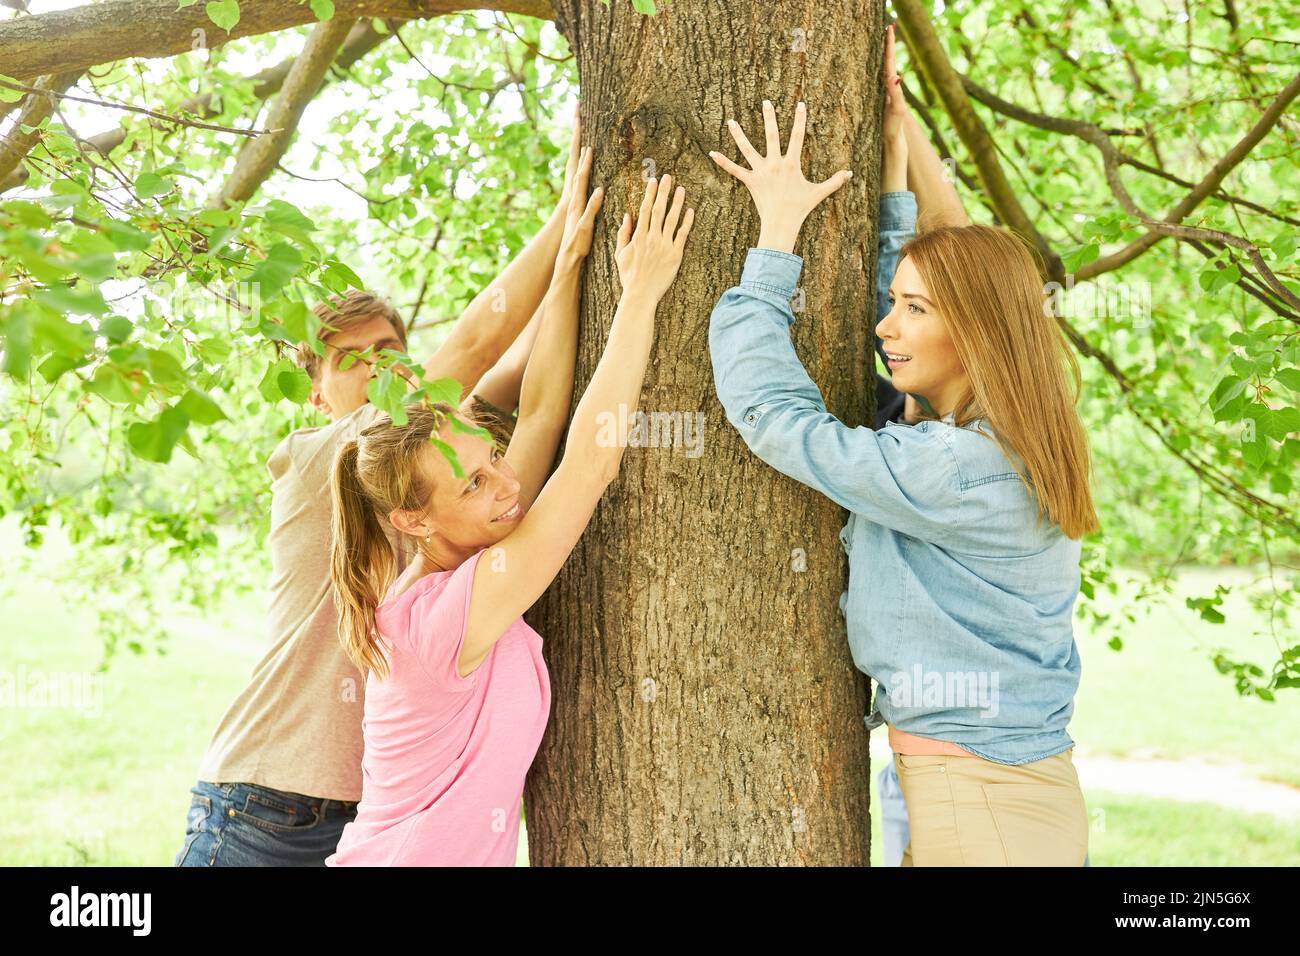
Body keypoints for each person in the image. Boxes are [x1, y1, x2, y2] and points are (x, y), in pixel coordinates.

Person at [707, 29, 1099, 864]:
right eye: (896, 301)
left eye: (911, 309)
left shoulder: (954, 467)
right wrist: (894, 177)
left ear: (976, 334)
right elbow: (924, 324)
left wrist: (775, 239)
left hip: (984, 811)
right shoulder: (1010, 433)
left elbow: (779, 423)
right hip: (993, 796)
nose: (886, 325)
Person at [172, 113, 591, 867]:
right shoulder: (316, 460)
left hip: (372, 821)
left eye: (389, 351)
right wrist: (567, 214)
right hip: (263, 808)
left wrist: (578, 268)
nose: (377, 368)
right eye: (349, 359)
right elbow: (473, 345)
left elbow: (517, 390)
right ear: (317, 394)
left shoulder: (430, 464)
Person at [323, 167, 694, 866]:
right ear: (413, 522)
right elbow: (589, 461)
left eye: (491, 458)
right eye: (473, 485)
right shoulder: (444, 615)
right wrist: (641, 294)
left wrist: (568, 268)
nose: (506, 485)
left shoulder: (472, 550)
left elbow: (547, 413)